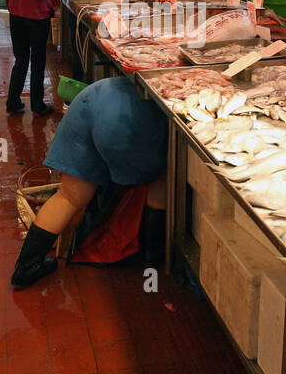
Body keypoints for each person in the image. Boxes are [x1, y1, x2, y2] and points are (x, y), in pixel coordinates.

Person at [11, 76, 169, 289]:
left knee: (69, 197)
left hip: (94, 98)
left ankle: (26, 268)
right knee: (162, 178)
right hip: (127, 117)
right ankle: (153, 256)